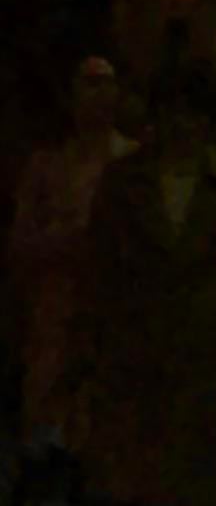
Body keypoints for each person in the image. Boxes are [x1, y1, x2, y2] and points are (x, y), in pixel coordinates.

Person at [67, 60, 216, 506]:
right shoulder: (123, 184)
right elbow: (97, 277)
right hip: (135, 373)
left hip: (209, 376)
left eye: (193, 113)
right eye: (173, 112)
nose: (182, 124)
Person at [5, 49, 132, 495]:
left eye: (108, 82)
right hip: (53, 320)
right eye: (89, 83)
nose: (100, 94)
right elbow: (19, 245)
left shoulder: (132, 164)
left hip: (112, 325)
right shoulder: (46, 165)